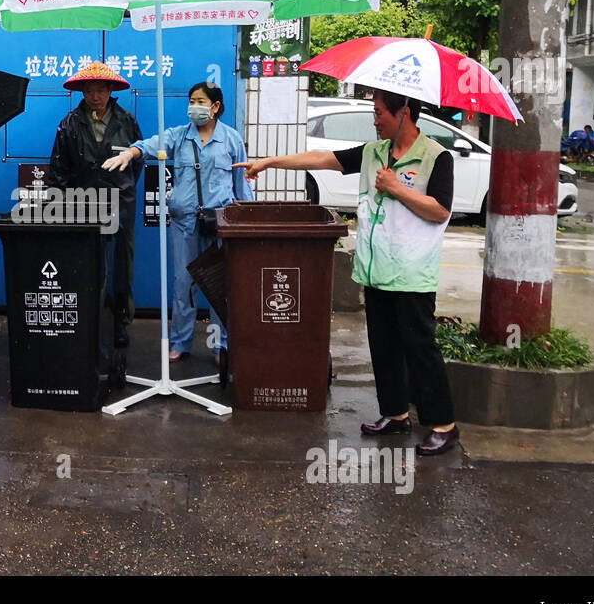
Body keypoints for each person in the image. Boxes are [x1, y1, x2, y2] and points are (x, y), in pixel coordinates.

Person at [235, 89, 460, 456]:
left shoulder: (438, 157)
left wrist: (395, 188)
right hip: (375, 268)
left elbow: (439, 210)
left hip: (412, 271)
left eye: (379, 113)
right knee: (383, 347)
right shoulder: (374, 153)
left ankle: (444, 425)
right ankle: (396, 414)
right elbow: (323, 159)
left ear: (404, 113)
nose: (374, 120)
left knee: (420, 348)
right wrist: (272, 161)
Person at [102, 82, 252, 362]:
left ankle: (222, 345)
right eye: (191, 100)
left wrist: (246, 219)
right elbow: (149, 145)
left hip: (220, 223)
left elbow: (241, 185)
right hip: (185, 223)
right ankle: (181, 342)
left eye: (200, 101)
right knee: (184, 284)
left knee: (221, 285)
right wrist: (128, 153)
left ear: (215, 106)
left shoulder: (232, 140)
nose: (193, 106)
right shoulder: (179, 137)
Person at [46, 61, 142, 348]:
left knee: (123, 262)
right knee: (87, 264)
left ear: (110, 91)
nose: (95, 97)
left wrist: (122, 187)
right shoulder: (70, 123)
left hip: (121, 201)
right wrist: (57, 201)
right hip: (83, 201)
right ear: (82, 92)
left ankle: (121, 322)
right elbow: (59, 167)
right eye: (89, 91)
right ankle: (87, 319)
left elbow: (138, 160)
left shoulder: (126, 120)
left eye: (100, 91)